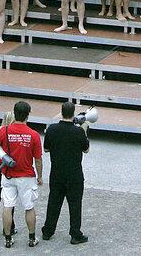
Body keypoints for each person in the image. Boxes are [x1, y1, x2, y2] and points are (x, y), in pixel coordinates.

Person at [0, 101, 43, 248]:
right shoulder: (33, 135)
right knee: (29, 207)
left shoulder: (4, 131)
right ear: (28, 115)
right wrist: (39, 176)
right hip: (26, 176)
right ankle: (32, 238)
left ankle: (8, 239)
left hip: (8, 175)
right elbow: (38, 159)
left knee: (7, 206)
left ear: (14, 113)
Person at [40, 101, 91, 245]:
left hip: (57, 173)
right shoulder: (78, 131)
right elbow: (86, 149)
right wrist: (85, 130)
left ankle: (48, 231)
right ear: (73, 113)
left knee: (54, 202)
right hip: (74, 175)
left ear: (61, 112)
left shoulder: (52, 129)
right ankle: (75, 234)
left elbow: (47, 149)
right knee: (75, 204)